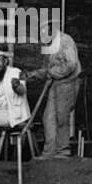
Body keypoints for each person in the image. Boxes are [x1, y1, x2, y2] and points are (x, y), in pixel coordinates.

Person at [35, 26, 81, 159]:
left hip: (68, 83)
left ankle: (62, 151)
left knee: (62, 117)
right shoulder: (48, 45)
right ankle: (49, 152)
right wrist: (33, 75)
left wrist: (53, 72)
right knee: (48, 117)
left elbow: (71, 64)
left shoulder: (65, 41)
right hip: (56, 83)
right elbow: (47, 68)